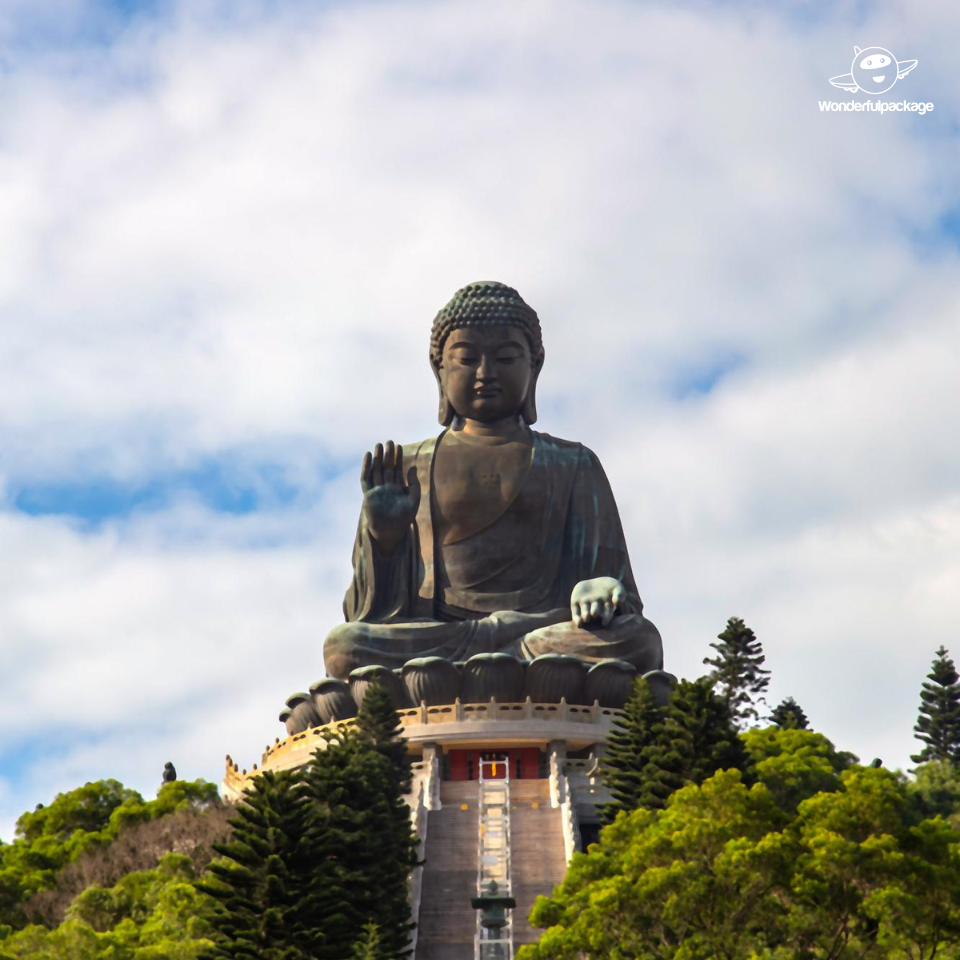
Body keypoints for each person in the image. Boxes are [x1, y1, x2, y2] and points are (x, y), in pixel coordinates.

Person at [323, 281, 662, 679]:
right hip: (444, 639)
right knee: (344, 647)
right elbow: (370, 614)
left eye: (505, 358)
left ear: (533, 367)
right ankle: (500, 669)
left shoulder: (573, 464)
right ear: (440, 369)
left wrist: (601, 589)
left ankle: (488, 669)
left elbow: (615, 589)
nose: (486, 373)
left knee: (638, 640)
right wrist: (385, 540)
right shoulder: (408, 466)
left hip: (540, 632)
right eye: (467, 360)